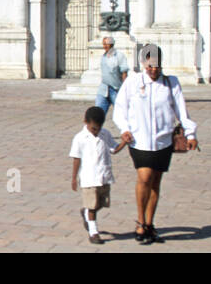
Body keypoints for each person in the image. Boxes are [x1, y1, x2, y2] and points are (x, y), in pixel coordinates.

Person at [112, 43, 199, 244]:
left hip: (163, 141)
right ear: (143, 63)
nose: (153, 70)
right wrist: (124, 129)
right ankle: (140, 222)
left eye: (157, 66)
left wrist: (191, 133)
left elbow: (181, 111)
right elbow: (120, 109)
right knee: (144, 177)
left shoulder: (171, 83)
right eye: (150, 66)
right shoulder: (133, 82)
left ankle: (150, 224)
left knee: (156, 182)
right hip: (139, 140)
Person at [70, 105, 126, 244]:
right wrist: (74, 177)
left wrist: (125, 142)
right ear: (86, 123)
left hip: (104, 176)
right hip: (89, 178)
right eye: (94, 128)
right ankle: (93, 231)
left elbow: (114, 149)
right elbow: (76, 158)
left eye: (99, 128)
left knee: (101, 203)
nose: (96, 131)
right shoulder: (79, 138)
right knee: (93, 207)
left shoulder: (105, 134)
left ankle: (85, 213)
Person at [94, 37, 128, 117]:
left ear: (111, 44)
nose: (104, 46)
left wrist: (124, 88)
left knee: (122, 114)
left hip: (115, 89)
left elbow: (124, 72)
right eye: (103, 44)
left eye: (106, 44)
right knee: (98, 114)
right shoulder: (104, 56)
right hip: (103, 89)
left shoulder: (119, 56)